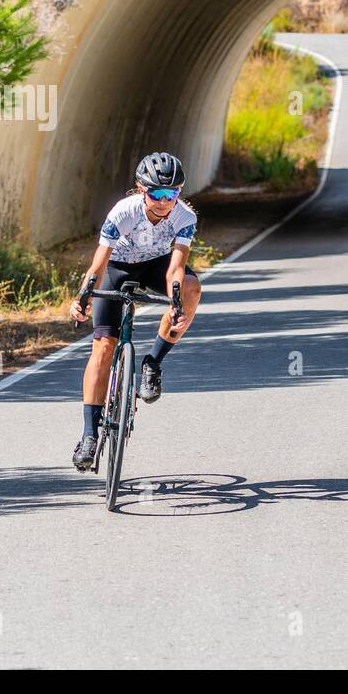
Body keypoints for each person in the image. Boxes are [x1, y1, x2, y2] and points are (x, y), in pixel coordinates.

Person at [69, 152, 203, 470]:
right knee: (103, 348)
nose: (164, 201)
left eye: (171, 193)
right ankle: (89, 435)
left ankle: (152, 363)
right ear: (142, 189)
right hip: (118, 267)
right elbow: (98, 264)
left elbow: (176, 267)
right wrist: (83, 297)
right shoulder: (124, 212)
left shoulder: (184, 217)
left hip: (157, 265)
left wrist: (175, 301)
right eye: (157, 193)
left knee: (192, 288)